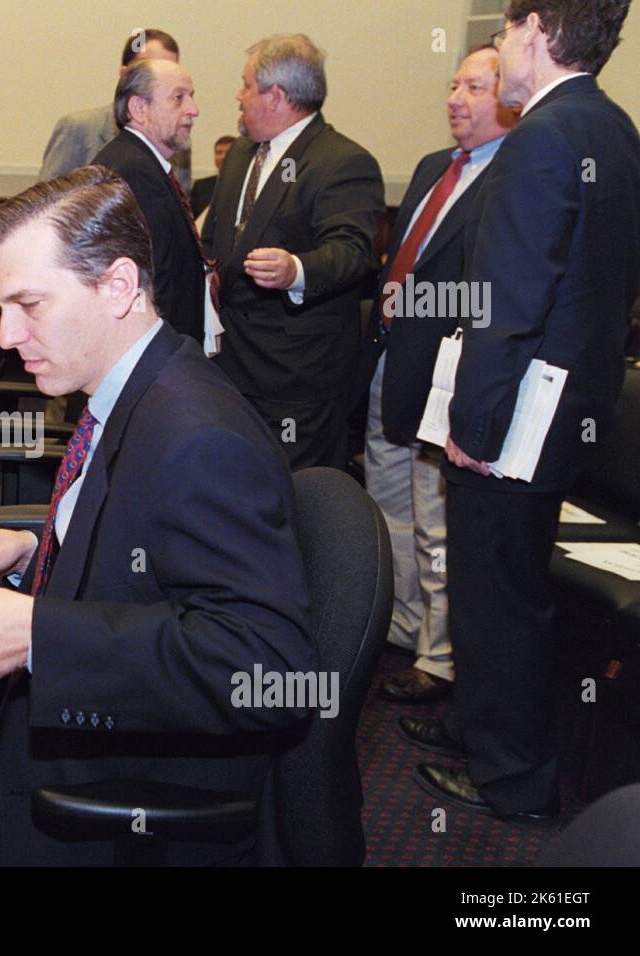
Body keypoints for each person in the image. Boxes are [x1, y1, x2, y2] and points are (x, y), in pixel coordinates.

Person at [0, 166, 316, 866]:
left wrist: (35, 633)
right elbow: (149, 557)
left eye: (29, 304)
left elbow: (265, 667)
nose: (4, 335)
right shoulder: (136, 385)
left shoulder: (198, 436)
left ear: (117, 287)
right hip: (81, 731)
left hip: (116, 787)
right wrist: (30, 551)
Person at [407, 0, 640, 820]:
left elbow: (508, 303)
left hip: (520, 415)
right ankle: (480, 729)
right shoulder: (612, 126)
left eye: (504, 31)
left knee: (495, 600)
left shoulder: (545, 134)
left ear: (536, 30)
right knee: (503, 589)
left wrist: (474, 426)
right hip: (569, 407)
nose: (500, 46)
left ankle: (510, 778)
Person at [366, 45, 516, 705]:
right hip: (390, 362)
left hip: (450, 376)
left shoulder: (515, 175)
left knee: (437, 520)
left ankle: (439, 657)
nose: (456, 98)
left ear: (508, 98)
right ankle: (398, 625)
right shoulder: (434, 166)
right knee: (388, 510)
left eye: (474, 87)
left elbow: (495, 291)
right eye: (454, 84)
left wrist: (424, 307)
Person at [202, 34, 384, 470]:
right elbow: (217, 244)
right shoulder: (242, 154)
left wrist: (296, 270)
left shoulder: (342, 161)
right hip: (228, 367)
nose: (239, 96)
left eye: (246, 85)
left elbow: (353, 250)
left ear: (276, 95)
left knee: (293, 505)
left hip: (295, 381)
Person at [92, 59, 207, 344]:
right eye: (178, 98)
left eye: (191, 96)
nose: (193, 109)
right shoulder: (134, 169)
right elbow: (153, 281)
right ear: (139, 109)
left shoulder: (135, 160)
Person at [38, 29, 192, 190]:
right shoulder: (78, 128)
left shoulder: (177, 134)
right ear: (124, 74)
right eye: (152, 70)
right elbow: (45, 205)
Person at [190, 134, 238, 218]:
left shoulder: (246, 184)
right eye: (218, 152)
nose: (223, 157)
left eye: (228, 152)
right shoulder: (200, 186)